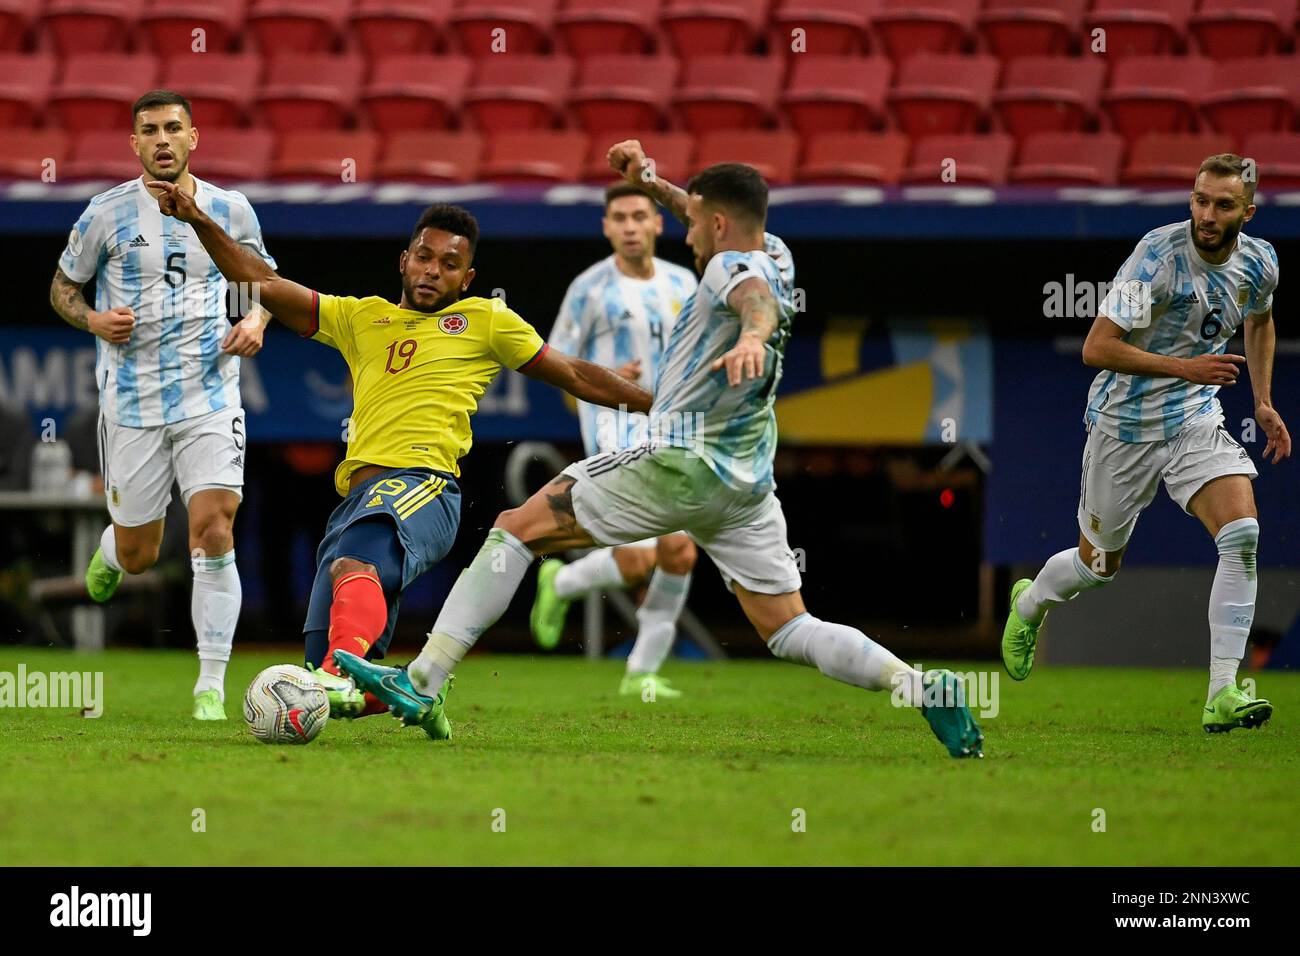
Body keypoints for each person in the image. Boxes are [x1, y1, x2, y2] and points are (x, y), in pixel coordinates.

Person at [336, 142, 985, 759]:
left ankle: (420, 683)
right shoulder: (776, 252)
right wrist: (652, 182)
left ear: (721, 222)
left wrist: (754, 335)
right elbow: (727, 246)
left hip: (679, 457)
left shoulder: (732, 269)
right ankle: (921, 685)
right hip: (745, 478)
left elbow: (750, 301)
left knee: (515, 529)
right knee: (787, 628)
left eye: (696, 221)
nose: (688, 233)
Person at [144, 183, 654, 739]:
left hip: (425, 486)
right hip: (357, 500)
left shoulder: (487, 321)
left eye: (451, 264)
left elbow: (576, 374)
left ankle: (346, 674)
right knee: (325, 680)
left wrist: (660, 405)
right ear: (405, 261)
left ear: (468, 279)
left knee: (351, 575)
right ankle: (415, 693)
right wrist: (196, 218)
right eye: (426, 257)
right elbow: (259, 283)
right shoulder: (360, 318)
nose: (435, 271)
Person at [1002, 153, 1291, 734]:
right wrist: (1183, 368)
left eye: (1222, 205)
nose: (1207, 214)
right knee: (1098, 566)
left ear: (1248, 212)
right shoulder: (1157, 259)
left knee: (1242, 536)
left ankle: (1222, 694)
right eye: (1200, 200)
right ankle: (1029, 605)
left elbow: (1260, 320)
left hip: (1193, 421)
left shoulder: (1260, 263)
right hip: (1124, 426)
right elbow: (1097, 347)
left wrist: (1261, 401)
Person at [50, 90, 274, 720]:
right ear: (135, 144)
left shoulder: (230, 209)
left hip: (210, 394)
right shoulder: (106, 214)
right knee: (144, 554)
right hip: (132, 403)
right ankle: (113, 551)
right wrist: (94, 318)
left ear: (194, 137)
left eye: (174, 128)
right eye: (149, 130)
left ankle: (210, 685)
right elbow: (63, 286)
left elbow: (256, 283)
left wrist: (254, 320)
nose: (163, 139)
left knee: (213, 529)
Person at [531, 181, 699, 697]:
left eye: (638, 216)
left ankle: (642, 672)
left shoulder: (684, 284)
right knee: (635, 559)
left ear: (657, 223)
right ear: (607, 226)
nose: (629, 226)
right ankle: (558, 582)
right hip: (615, 428)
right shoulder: (589, 289)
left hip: (676, 427)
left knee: (680, 553)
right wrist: (604, 374)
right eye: (619, 217)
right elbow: (551, 365)